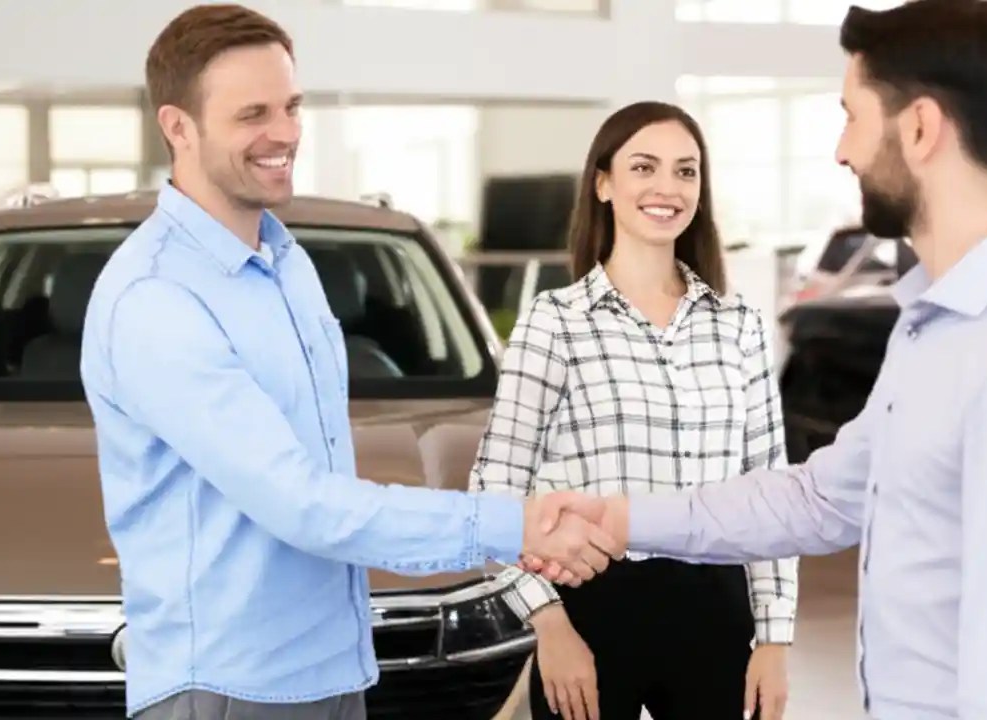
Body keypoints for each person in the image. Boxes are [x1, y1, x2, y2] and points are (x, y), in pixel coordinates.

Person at [527, 2, 987, 719]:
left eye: (852, 116)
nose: (841, 150)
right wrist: (617, 517)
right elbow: (820, 498)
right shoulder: (939, 331)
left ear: (918, 129)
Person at [78, 5, 620, 720]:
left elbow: (327, 480)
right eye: (253, 114)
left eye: (292, 106)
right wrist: (513, 526)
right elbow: (302, 503)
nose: (285, 134)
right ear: (178, 127)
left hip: (331, 669)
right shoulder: (154, 298)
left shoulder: (286, 260)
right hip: (226, 687)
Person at [470, 101, 799, 720]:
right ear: (603, 184)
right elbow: (495, 485)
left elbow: (771, 496)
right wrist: (550, 627)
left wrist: (775, 639)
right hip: (591, 608)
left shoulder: (740, 326)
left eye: (686, 171)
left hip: (714, 607)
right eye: (644, 167)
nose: (666, 188)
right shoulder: (556, 321)